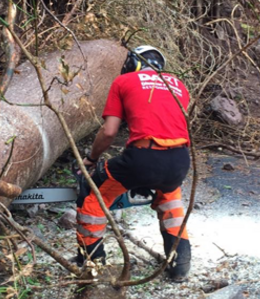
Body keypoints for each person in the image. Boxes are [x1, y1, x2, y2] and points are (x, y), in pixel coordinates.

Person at [73, 45, 192, 282]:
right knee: (170, 201)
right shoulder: (178, 85)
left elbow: (109, 132)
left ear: (132, 64)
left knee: (93, 193)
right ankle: (180, 265)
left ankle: (92, 261)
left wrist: (92, 159)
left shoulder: (124, 81)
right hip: (179, 159)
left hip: (144, 157)